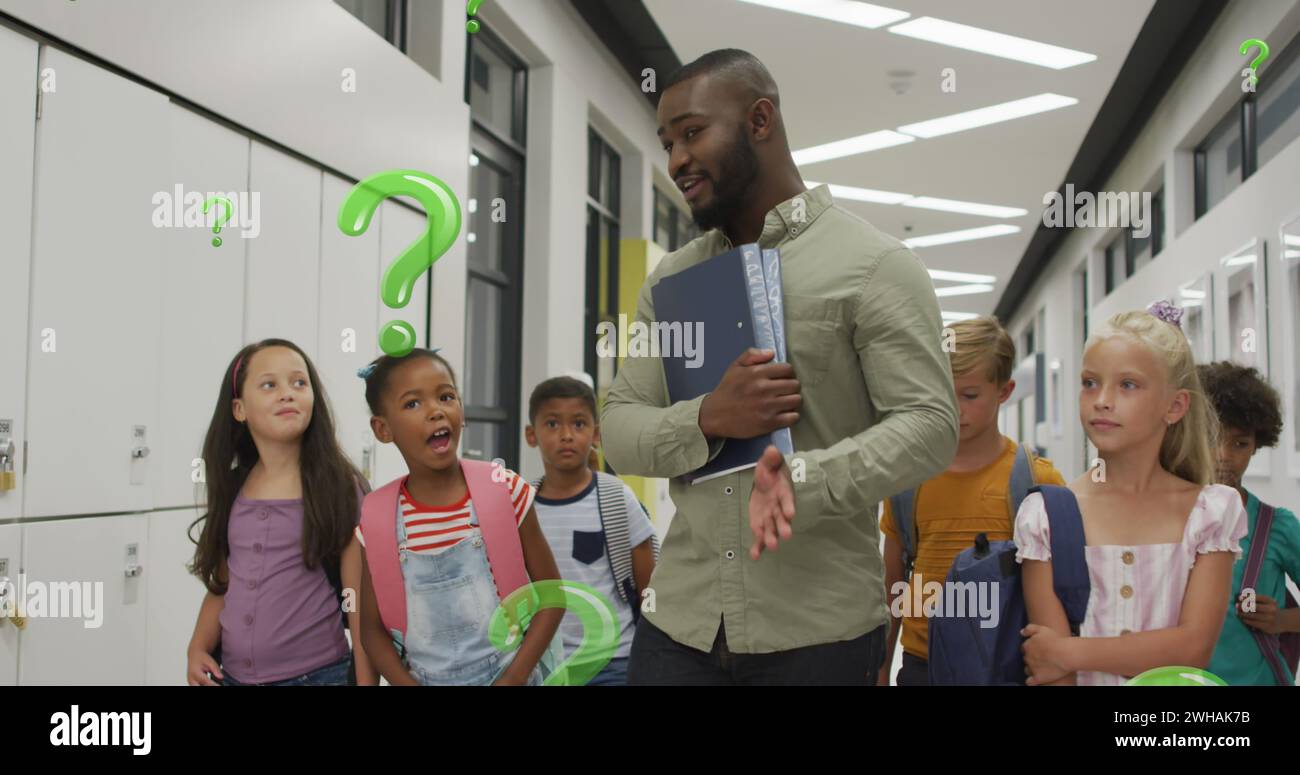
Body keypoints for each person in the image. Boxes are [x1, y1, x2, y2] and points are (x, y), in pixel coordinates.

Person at [602, 48, 958, 685]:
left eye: (692, 133)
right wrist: (710, 416)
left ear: (760, 120)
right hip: (678, 629)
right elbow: (620, 428)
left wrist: (804, 479)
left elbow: (930, 425)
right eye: (667, 142)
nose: (676, 159)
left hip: (818, 635)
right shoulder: (673, 280)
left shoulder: (875, 266)